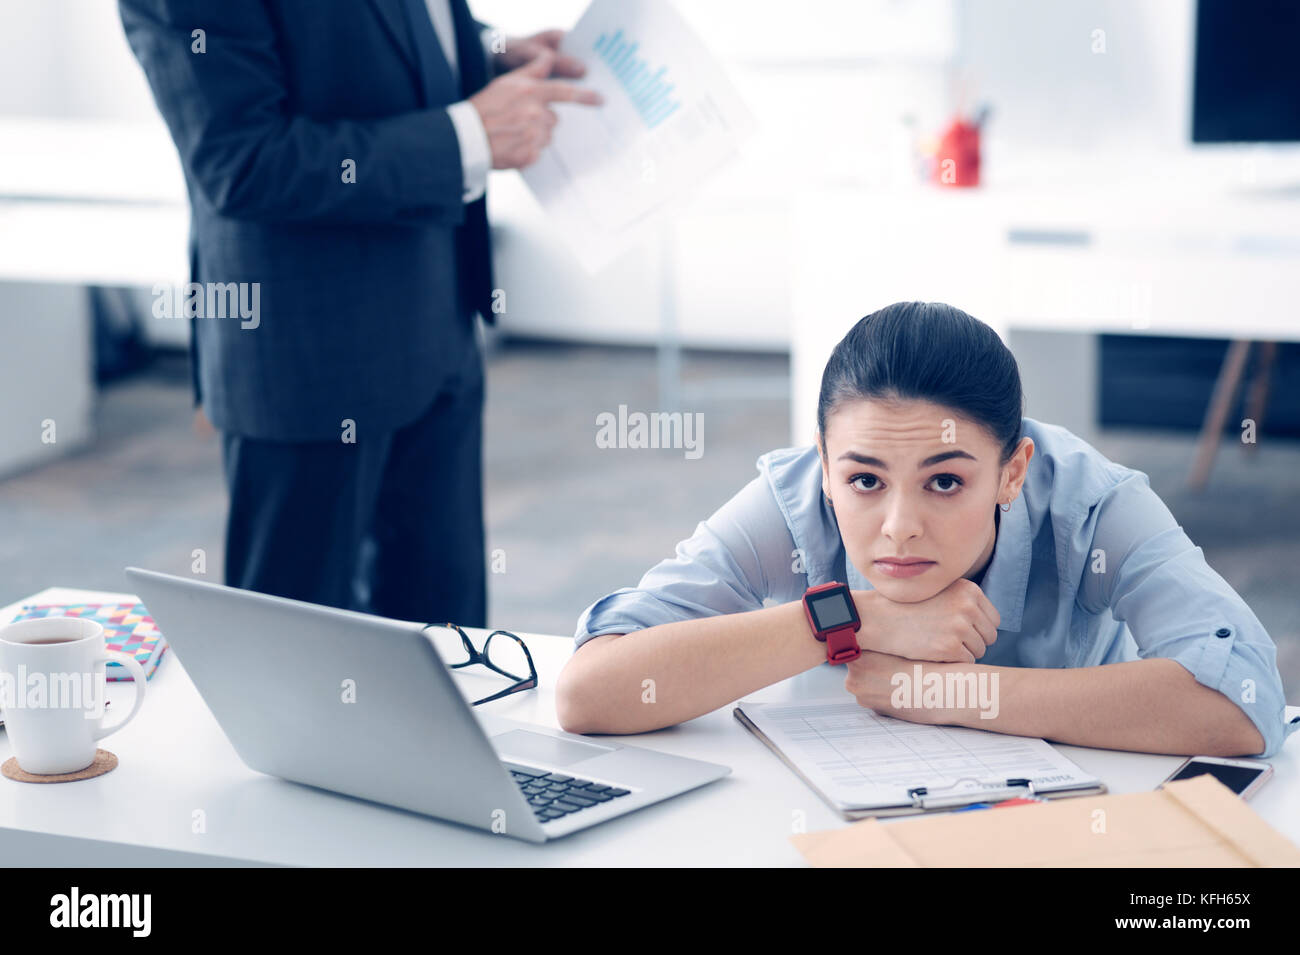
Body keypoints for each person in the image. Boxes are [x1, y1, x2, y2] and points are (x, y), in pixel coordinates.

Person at [558, 301, 1299, 758]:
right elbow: (591, 691)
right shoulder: (793, 499)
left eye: (945, 481)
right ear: (823, 464)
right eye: (865, 480)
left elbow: (1244, 700)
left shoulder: (1094, 504)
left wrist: (946, 692)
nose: (899, 527)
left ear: (1013, 470)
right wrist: (848, 619)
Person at [119, 1, 601, 624]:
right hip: (305, 357)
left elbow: (391, 32)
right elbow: (240, 160)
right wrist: (469, 136)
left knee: (449, 649)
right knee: (295, 661)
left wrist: (485, 52)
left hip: (438, 321)